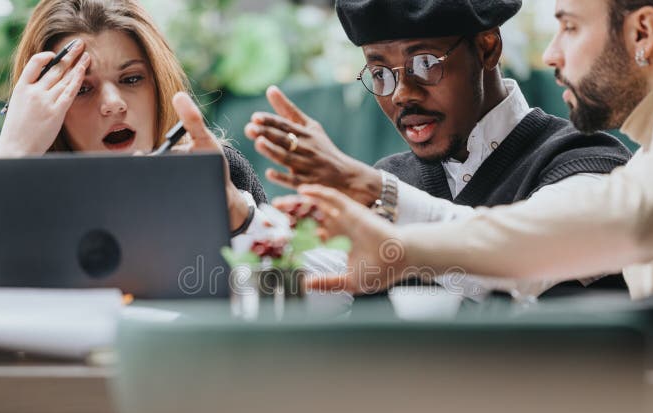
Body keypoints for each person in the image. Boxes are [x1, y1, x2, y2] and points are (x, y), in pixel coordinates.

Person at [299, 0, 653, 299]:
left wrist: (398, 229)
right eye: (380, 72)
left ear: (642, 31)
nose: (552, 53)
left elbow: (612, 223)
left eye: (570, 26)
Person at [245, 0, 632, 299]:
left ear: (487, 48)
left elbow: (527, 258)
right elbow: (319, 280)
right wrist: (234, 211)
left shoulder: (589, 165)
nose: (402, 94)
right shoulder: (390, 178)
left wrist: (379, 192)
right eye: (379, 73)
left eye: (425, 63)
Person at [0, 0, 267, 287]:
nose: (113, 103)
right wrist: (12, 158)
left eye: (132, 78)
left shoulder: (220, 171)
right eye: (82, 88)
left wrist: (239, 218)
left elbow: (284, 296)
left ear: (158, 86)